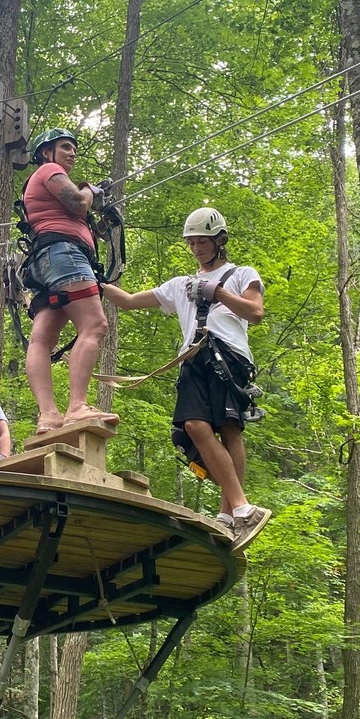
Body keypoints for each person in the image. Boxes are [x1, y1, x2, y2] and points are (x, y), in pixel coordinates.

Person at [100, 206, 272, 544]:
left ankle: (233, 513)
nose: (196, 248)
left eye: (202, 241)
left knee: (229, 429)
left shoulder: (241, 274)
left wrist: (217, 292)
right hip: (193, 358)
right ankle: (241, 509)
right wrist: (93, 280)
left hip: (229, 356)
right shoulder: (181, 285)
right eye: (191, 243)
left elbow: (255, 312)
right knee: (193, 426)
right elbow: (130, 301)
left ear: (219, 240)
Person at [19, 128, 115, 434]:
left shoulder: (44, 183)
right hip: (64, 255)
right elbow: (76, 201)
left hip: (46, 263)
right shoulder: (50, 170)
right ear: (47, 153)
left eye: (74, 148)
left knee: (42, 340)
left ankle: (48, 416)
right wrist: (91, 192)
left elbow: (73, 214)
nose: (72, 153)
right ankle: (76, 407)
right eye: (65, 147)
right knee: (95, 325)